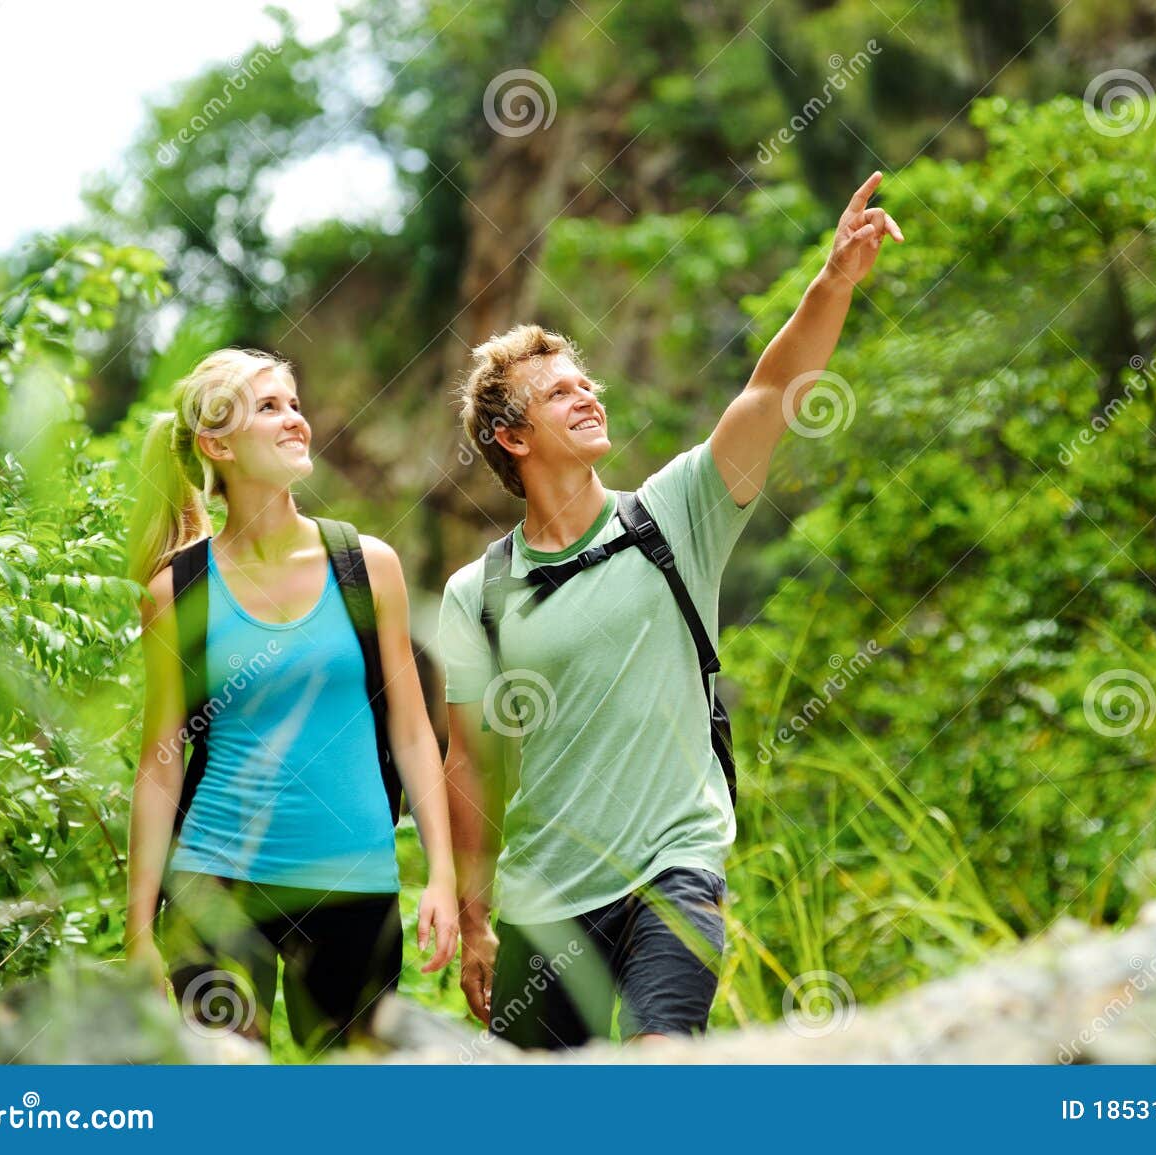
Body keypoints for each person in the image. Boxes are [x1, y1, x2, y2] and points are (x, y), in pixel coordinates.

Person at [437, 172, 903, 1048]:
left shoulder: (675, 512)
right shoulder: (480, 594)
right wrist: (474, 917)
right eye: (561, 392)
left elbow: (770, 390)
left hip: (673, 867)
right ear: (513, 436)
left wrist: (833, 281)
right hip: (544, 902)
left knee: (664, 1061)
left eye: (589, 382)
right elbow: (470, 764)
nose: (589, 395)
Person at [124, 347, 458, 1052]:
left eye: (295, 404)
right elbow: (161, 761)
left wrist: (443, 876)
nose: (295, 421)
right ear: (219, 444)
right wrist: (139, 928)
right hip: (215, 888)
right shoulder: (178, 590)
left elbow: (412, 732)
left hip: (353, 886)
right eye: (269, 407)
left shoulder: (368, 567)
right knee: (221, 1112)